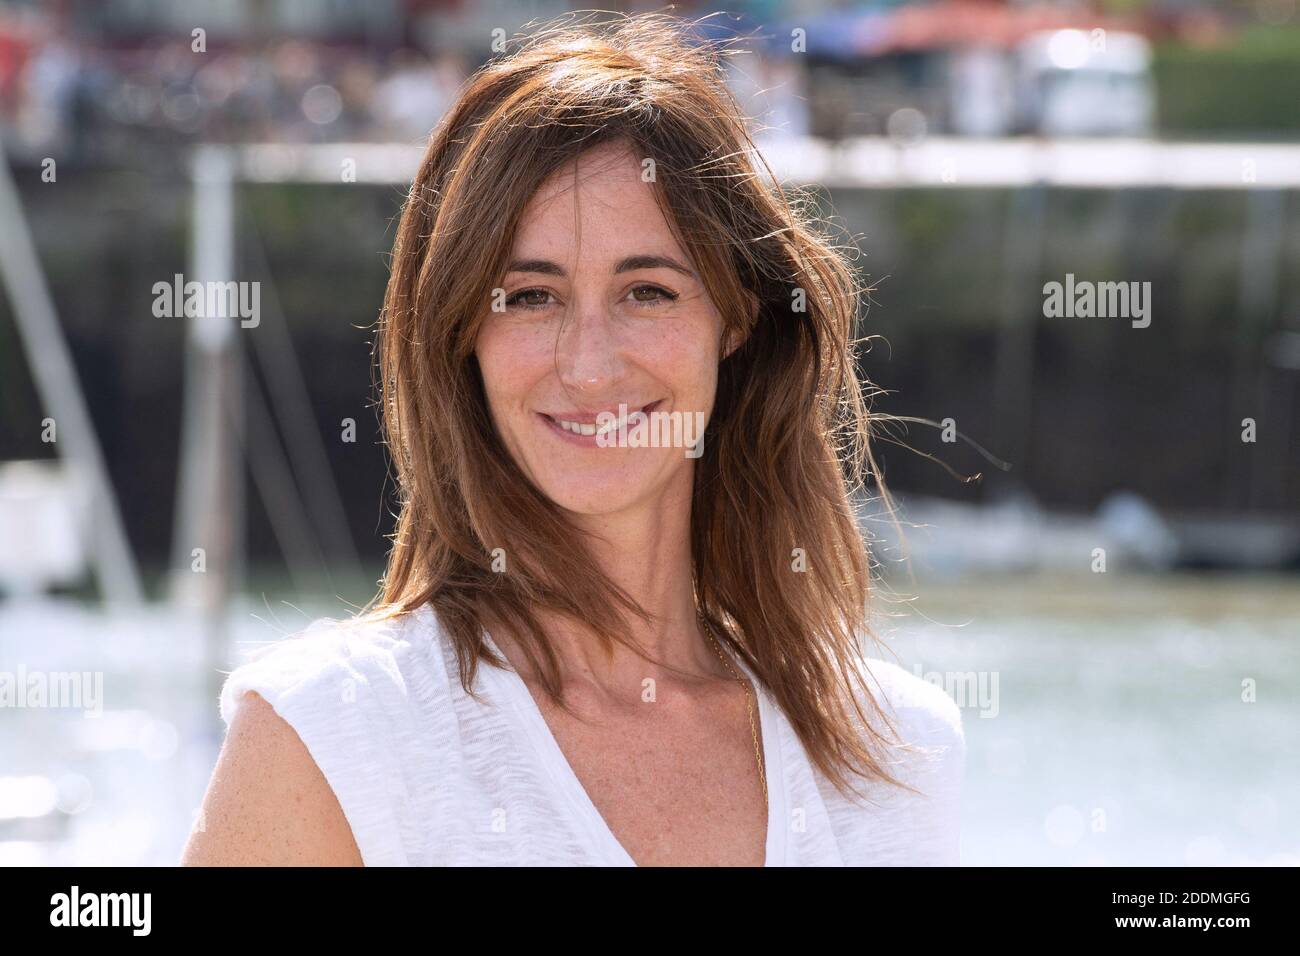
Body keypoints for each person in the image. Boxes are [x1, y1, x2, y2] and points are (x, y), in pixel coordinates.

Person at [182, 12, 963, 867]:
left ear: (738, 320)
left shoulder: (896, 751)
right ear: (458, 337)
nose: (589, 369)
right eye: (530, 296)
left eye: (649, 292)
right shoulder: (331, 737)